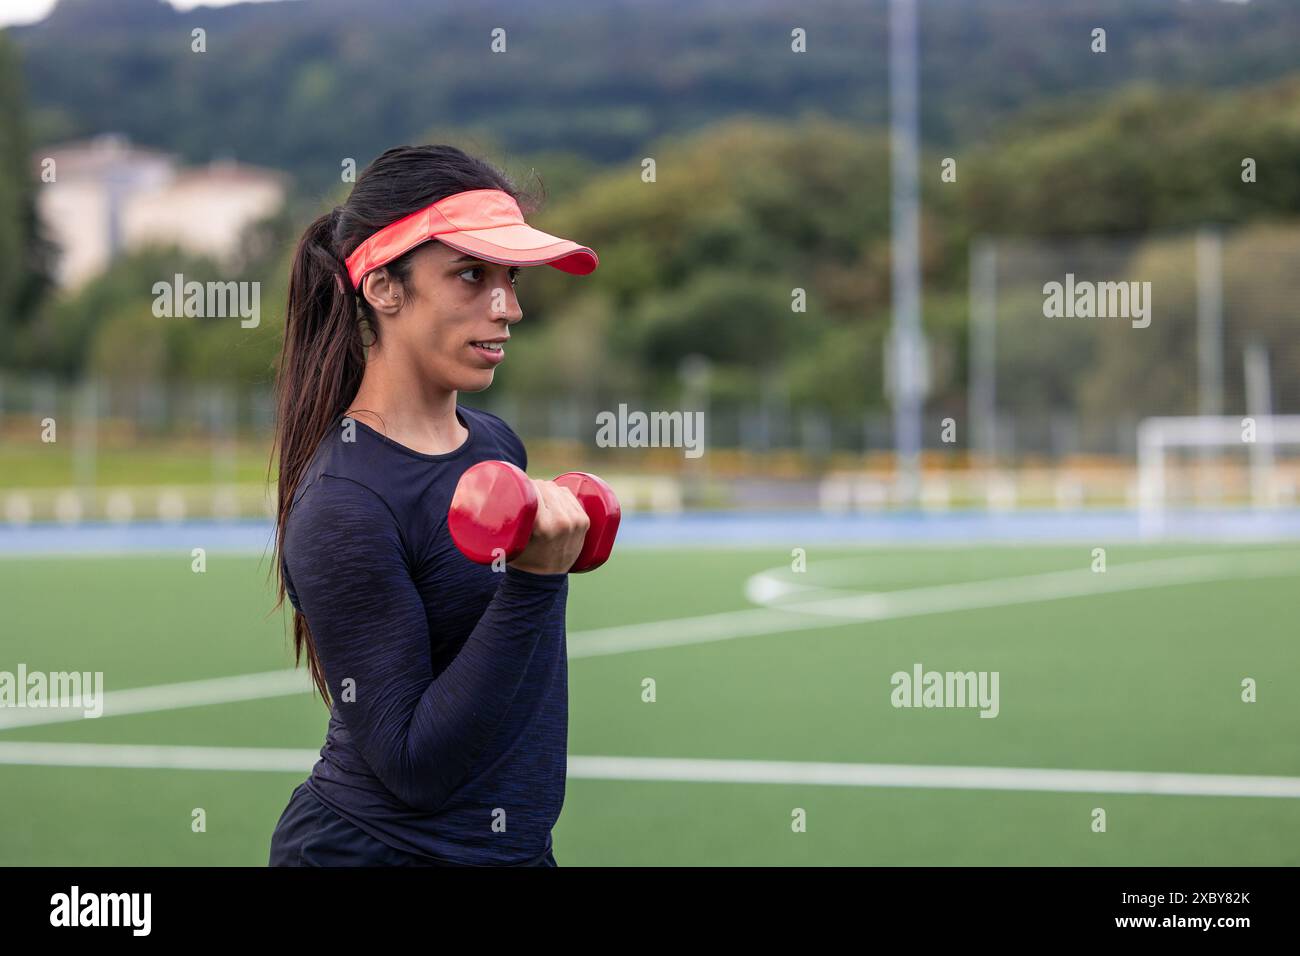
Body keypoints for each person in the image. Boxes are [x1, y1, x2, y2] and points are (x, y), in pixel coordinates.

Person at [266, 144, 600, 866]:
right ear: (384, 288)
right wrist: (536, 581)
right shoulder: (343, 505)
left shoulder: (496, 446)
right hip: (378, 853)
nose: (507, 307)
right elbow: (414, 766)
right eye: (471, 275)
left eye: (509, 279)